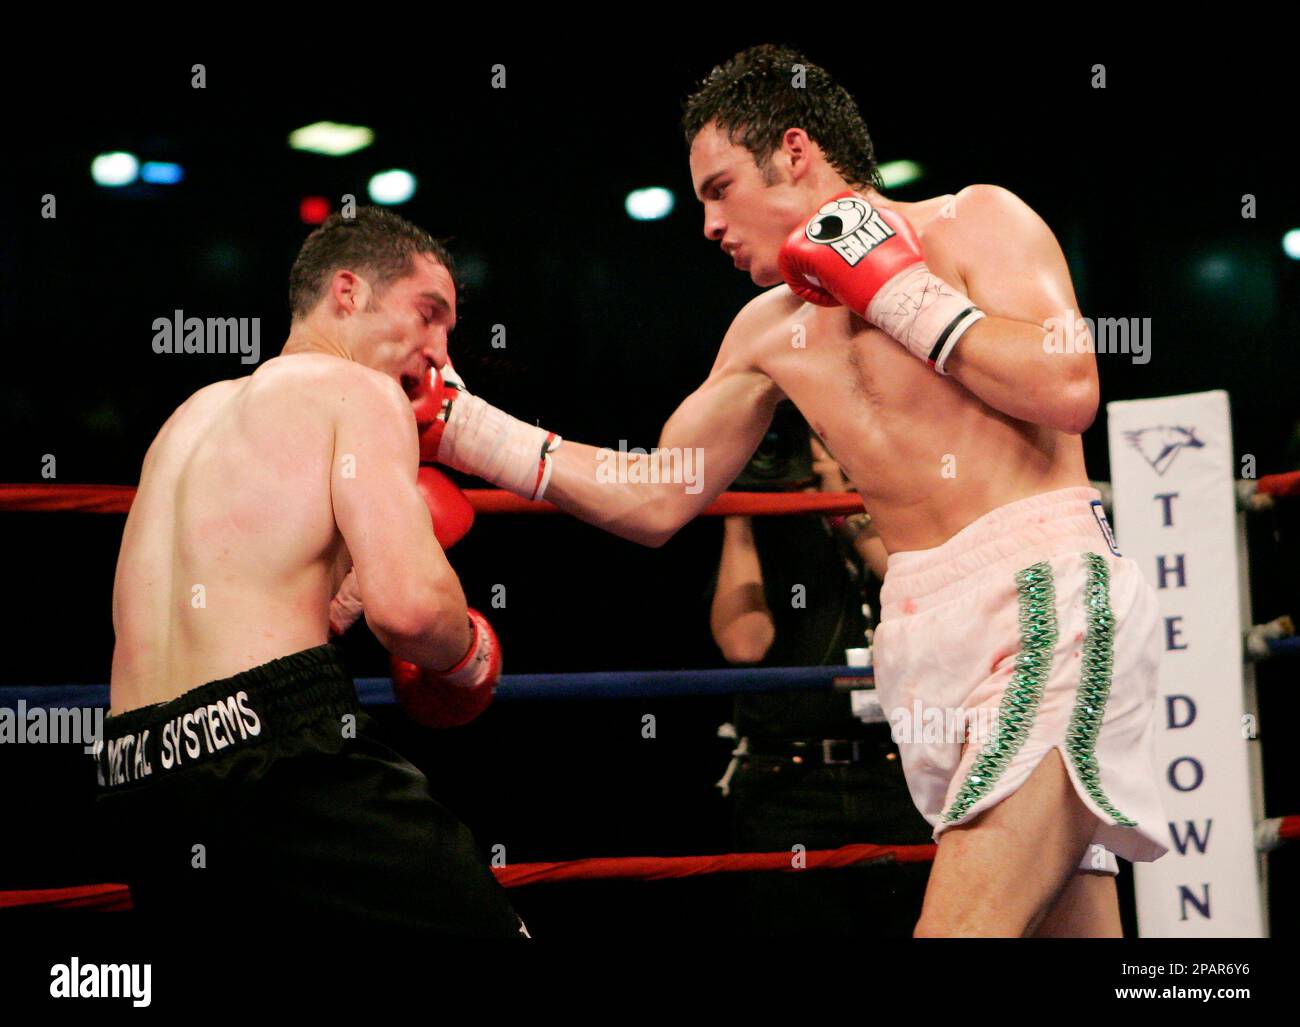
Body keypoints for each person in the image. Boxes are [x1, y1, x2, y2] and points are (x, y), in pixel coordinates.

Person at [402, 44, 1169, 936]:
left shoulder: (973, 222)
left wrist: (899, 294)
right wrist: (465, 425)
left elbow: (1069, 385)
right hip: (927, 638)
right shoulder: (766, 332)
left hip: (1044, 602)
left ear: (795, 152)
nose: (707, 225)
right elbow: (658, 494)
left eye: (719, 188)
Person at [94, 207, 525, 938]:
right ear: (347, 292)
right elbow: (413, 613)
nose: (440, 356)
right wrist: (468, 654)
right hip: (275, 753)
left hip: (137, 768)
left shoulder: (188, 416)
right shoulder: (357, 391)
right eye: (428, 315)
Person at [711, 405, 931, 937]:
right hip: (789, 784)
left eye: (833, 449)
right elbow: (743, 645)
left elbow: (924, 595)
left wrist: (847, 506)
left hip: (896, 777)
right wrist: (740, 509)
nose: (814, 466)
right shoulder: (766, 537)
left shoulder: (902, 522)